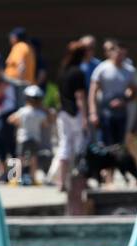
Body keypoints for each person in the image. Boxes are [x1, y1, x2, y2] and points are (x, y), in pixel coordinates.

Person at [88, 41, 136, 150]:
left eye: (122, 54)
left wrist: (124, 100)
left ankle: (116, 165)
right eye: (118, 53)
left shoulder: (129, 71)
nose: (120, 56)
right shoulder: (102, 68)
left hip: (122, 113)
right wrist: (93, 112)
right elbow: (93, 92)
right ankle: (108, 166)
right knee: (106, 144)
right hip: (105, 112)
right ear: (112, 52)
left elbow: (134, 92)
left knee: (120, 145)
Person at [55, 40, 89, 191]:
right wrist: (85, 117)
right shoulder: (78, 72)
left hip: (63, 112)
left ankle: (62, 181)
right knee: (80, 146)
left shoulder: (63, 70)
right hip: (75, 112)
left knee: (64, 145)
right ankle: (79, 181)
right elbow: (80, 96)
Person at [10, 85, 50, 184]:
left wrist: (18, 123)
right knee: (33, 159)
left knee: (20, 158)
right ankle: (33, 178)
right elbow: (45, 124)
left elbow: (11, 119)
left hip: (22, 137)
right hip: (35, 138)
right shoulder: (40, 114)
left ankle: (15, 178)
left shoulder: (22, 111)